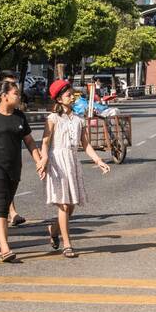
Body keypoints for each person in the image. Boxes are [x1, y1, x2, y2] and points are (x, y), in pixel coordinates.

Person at [0, 79, 44, 263]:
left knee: (1, 205)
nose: (18, 97)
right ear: (4, 96)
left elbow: (29, 142)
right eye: (15, 93)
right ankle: (5, 248)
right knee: (1, 206)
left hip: (13, 169)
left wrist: (39, 162)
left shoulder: (19, 117)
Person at [39, 79, 110, 258]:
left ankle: (53, 229)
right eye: (68, 95)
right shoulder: (53, 118)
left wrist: (98, 160)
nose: (72, 97)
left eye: (72, 94)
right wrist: (44, 159)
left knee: (71, 206)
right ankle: (67, 244)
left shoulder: (79, 120)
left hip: (72, 161)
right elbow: (46, 141)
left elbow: (85, 144)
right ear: (59, 99)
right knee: (63, 204)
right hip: (57, 162)